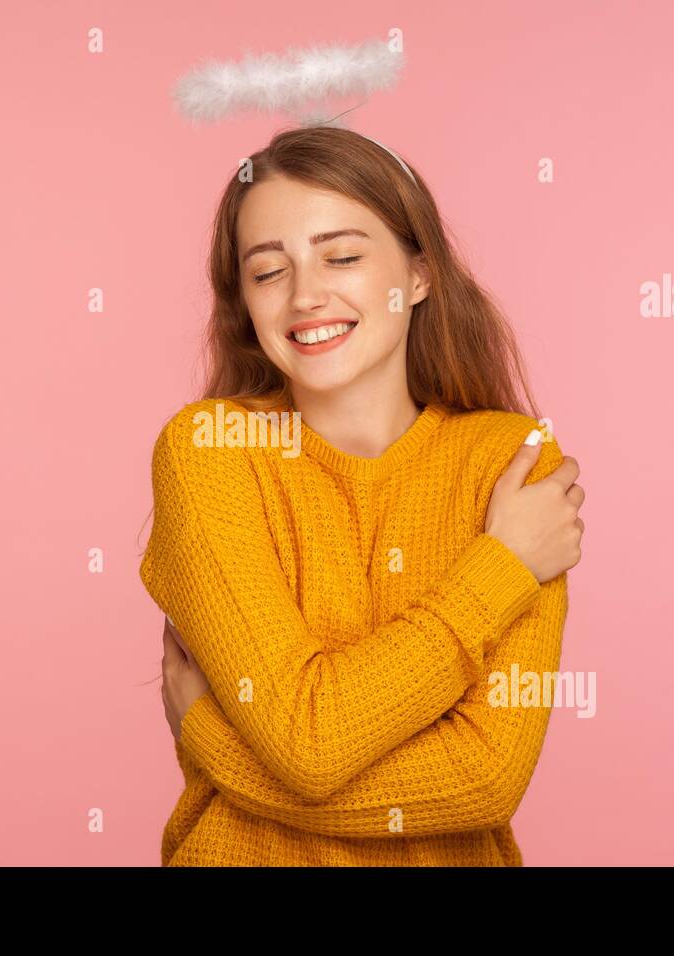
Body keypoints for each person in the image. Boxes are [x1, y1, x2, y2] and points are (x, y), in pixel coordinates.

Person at [139, 124, 585, 866]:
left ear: (418, 274)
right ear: (244, 301)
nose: (306, 296)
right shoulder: (207, 452)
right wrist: (501, 567)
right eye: (267, 272)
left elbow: (483, 780)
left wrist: (215, 745)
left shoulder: (515, 464)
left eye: (341, 256)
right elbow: (306, 742)